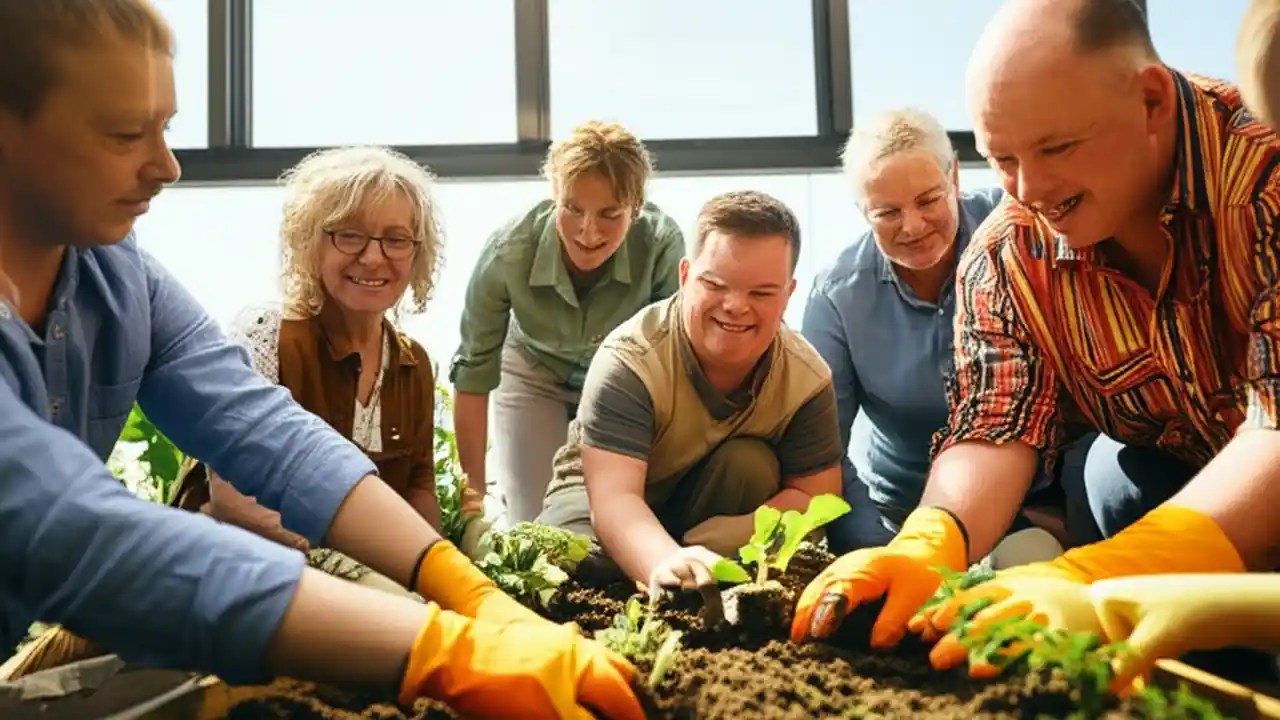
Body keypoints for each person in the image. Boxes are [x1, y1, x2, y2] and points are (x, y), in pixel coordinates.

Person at [0, 2, 643, 718]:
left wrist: (466, 589)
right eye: (124, 133)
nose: (167, 166)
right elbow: (66, 524)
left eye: (167, 128)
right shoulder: (272, 327)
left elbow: (267, 433)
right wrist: (438, 649)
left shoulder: (117, 278)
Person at [791, 0, 1280, 674]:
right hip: (1190, 484)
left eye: (1056, 149)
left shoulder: (1262, 171)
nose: (1031, 189)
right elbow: (995, 422)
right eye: (1004, 159)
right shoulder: (1007, 252)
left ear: (1151, 100)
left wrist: (1101, 575)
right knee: (1114, 475)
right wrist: (930, 541)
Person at [169, 145, 444, 597]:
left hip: (363, 588)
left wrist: (430, 571)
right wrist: (361, 575)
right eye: (349, 235)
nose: (374, 258)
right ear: (309, 243)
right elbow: (232, 500)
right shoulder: (266, 334)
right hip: (242, 572)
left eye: (396, 239)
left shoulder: (413, 365)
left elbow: (419, 490)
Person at [537, 190, 844, 594]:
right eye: (715, 284)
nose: (735, 306)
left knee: (751, 463)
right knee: (572, 563)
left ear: (788, 294)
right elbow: (614, 502)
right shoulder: (631, 360)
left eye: (761, 293)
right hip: (604, 498)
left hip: (711, 501)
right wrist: (666, 560)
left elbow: (816, 497)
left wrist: (725, 540)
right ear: (685, 277)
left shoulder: (807, 378)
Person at [801, 106, 1064, 565]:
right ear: (862, 212)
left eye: (928, 200)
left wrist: (1068, 511)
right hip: (904, 517)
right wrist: (877, 550)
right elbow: (823, 452)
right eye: (886, 212)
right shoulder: (838, 297)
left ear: (955, 177)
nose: (913, 226)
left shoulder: (1020, 236)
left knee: (1032, 566)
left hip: (1035, 505)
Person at [449, 121, 683, 529]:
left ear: (636, 206)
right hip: (532, 373)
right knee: (536, 527)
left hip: (625, 380)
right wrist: (471, 501)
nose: (588, 231)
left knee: (627, 518)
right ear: (554, 196)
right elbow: (473, 373)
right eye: (572, 208)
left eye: (610, 214)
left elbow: (672, 364)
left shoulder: (662, 245)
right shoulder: (508, 252)